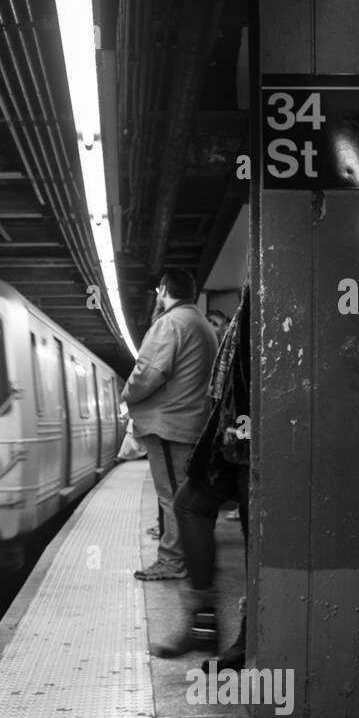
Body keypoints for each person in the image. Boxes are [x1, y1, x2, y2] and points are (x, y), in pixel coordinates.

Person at [150, 284, 250, 660]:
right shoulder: (250, 292)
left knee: (255, 533)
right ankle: (203, 625)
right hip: (229, 429)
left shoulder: (175, 322)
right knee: (188, 504)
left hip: (251, 430)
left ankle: (248, 634)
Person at [123, 269, 218, 581]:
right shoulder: (200, 322)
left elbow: (149, 372)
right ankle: (187, 556)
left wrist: (127, 394)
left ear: (163, 289)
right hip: (189, 420)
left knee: (173, 497)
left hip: (169, 424)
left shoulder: (170, 323)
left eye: (158, 291)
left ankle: (173, 560)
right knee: (186, 493)